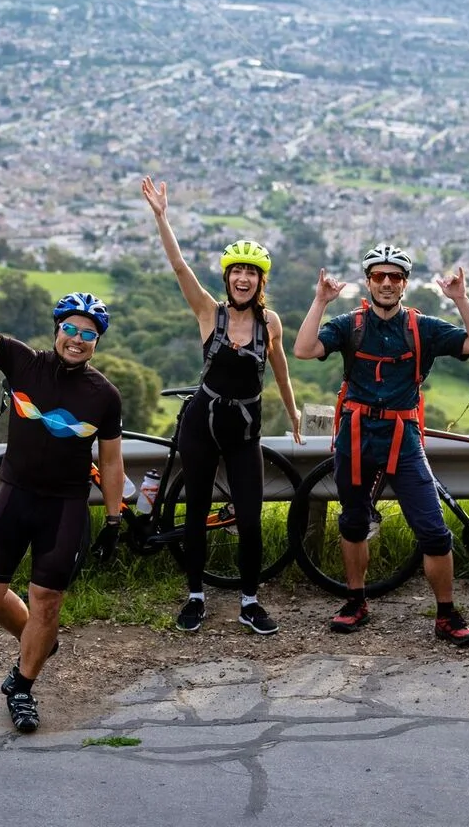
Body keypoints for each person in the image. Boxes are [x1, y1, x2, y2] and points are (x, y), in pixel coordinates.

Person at [0, 241, 125, 733]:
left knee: (47, 601)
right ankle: (41, 639)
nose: (77, 339)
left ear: (97, 341)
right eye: (70, 329)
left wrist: (116, 518)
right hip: (16, 496)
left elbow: (113, 459)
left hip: (64, 509)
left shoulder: (104, 395)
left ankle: (22, 684)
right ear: (56, 330)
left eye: (88, 334)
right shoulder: (22, 362)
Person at [292, 243, 469, 648]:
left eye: (395, 277)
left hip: (403, 439)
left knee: (434, 533)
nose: (387, 283)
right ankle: (356, 601)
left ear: (405, 284)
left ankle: (446, 615)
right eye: (379, 276)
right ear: (368, 282)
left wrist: (461, 299)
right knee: (353, 522)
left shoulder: (423, 328)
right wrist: (319, 300)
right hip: (356, 434)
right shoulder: (351, 325)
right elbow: (303, 350)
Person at [141, 176, 302, 635]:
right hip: (201, 423)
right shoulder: (209, 312)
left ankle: (250, 601)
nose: (243, 278)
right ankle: (195, 596)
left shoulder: (269, 322)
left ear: (260, 280)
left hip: (245, 428)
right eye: (237, 271)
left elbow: (282, 370)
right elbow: (177, 267)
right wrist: (161, 216)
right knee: (194, 513)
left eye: (251, 272)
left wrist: (292, 414)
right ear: (228, 277)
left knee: (250, 518)